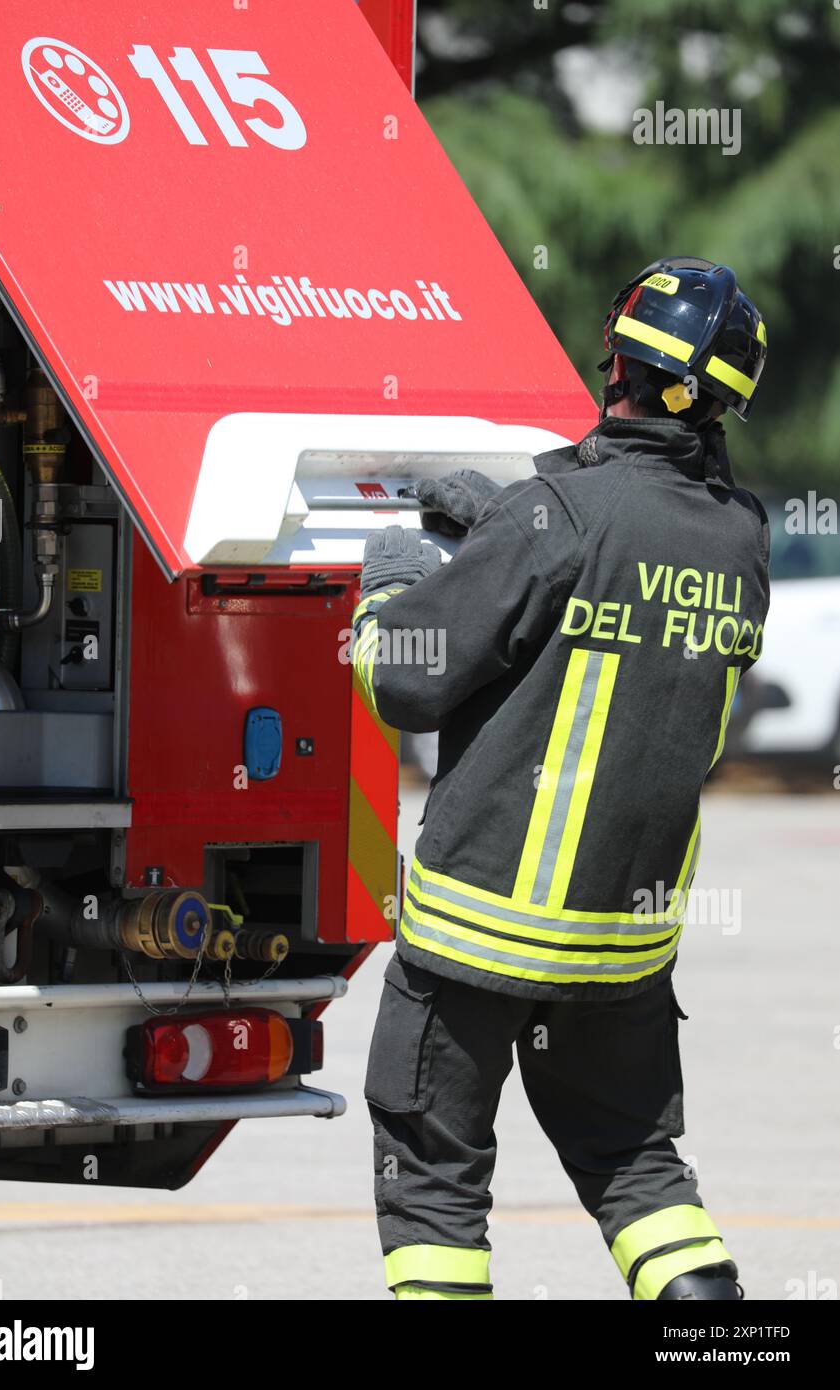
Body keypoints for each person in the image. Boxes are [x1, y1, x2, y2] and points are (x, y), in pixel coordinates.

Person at [351, 257, 769, 1301]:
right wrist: (512, 515)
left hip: (475, 934)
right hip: (621, 952)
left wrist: (395, 581)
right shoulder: (742, 538)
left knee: (437, 1190)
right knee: (640, 1174)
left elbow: (405, 685)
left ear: (615, 360)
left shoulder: (560, 519)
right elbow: (635, 573)